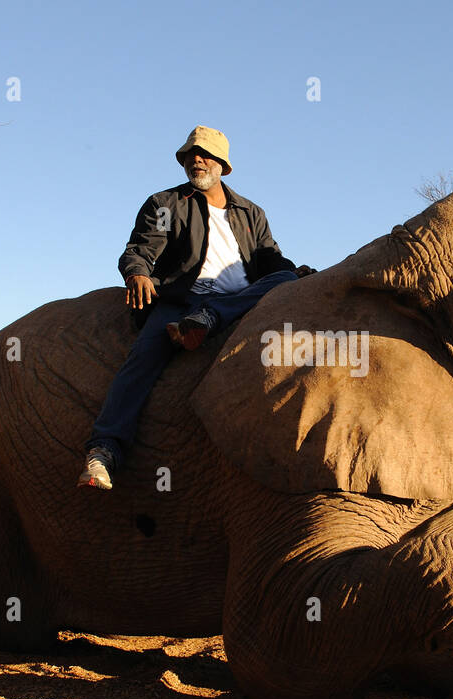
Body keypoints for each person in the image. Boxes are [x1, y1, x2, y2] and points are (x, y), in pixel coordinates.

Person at [78, 126, 311, 489]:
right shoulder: (165, 204)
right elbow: (139, 249)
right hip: (183, 300)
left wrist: (297, 273)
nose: (195, 160)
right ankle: (104, 450)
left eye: (204, 154)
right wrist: (137, 273)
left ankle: (211, 318)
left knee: (286, 281)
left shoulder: (251, 213)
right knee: (142, 359)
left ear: (222, 164)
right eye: (189, 155)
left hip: (238, 303)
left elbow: (271, 261)